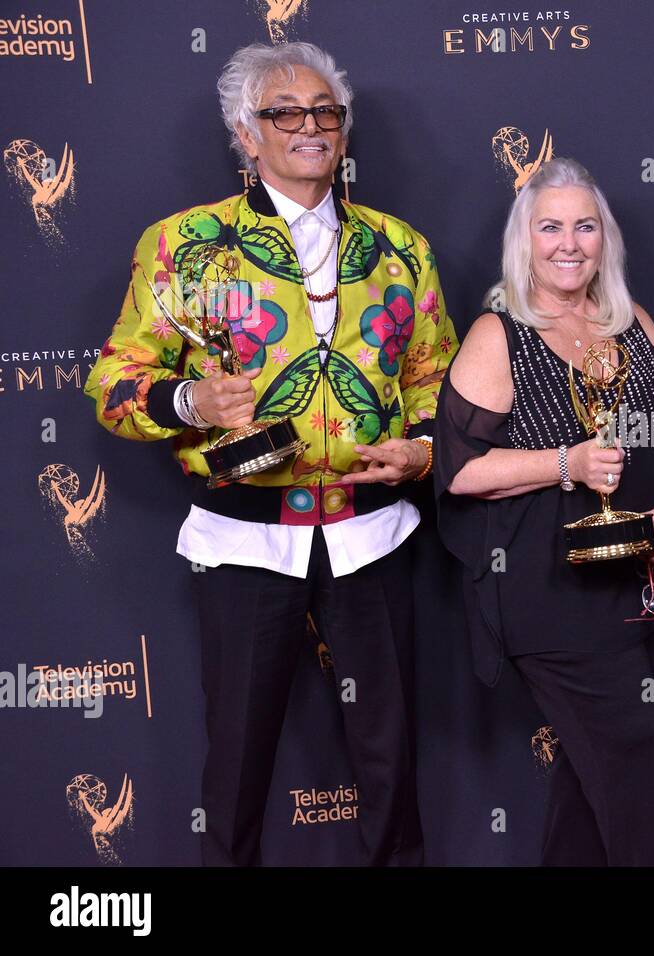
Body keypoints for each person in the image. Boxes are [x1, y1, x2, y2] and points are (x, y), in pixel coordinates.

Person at [84, 42, 459, 865]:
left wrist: (424, 449)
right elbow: (114, 380)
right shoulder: (186, 244)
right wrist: (189, 401)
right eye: (285, 113)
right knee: (239, 766)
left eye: (327, 111)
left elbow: (437, 375)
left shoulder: (401, 248)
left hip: (374, 534)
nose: (311, 126)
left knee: (391, 763)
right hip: (247, 535)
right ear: (245, 137)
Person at [433, 157, 654, 866]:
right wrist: (566, 463)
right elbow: (459, 473)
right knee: (635, 761)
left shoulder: (631, 323)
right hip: (548, 592)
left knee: (592, 786)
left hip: (637, 583)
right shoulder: (501, 335)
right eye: (551, 227)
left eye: (585, 226)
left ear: (604, 238)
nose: (569, 243)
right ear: (525, 240)